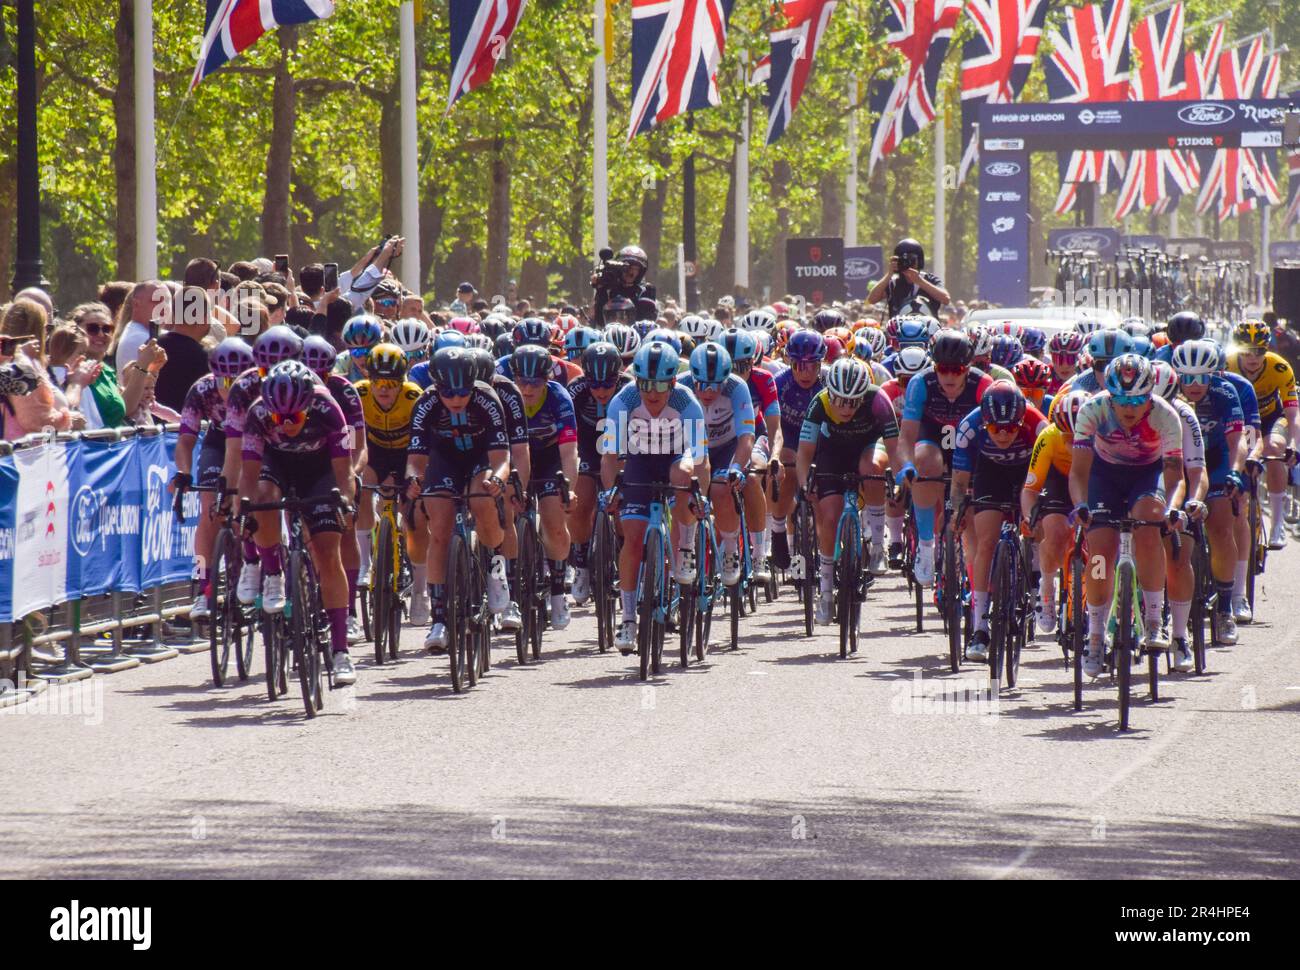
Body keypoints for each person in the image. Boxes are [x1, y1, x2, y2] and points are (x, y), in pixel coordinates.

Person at [239, 360, 358, 685]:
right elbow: (247, 475)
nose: (286, 423)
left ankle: (340, 651)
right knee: (260, 499)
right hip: (277, 465)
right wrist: (243, 512)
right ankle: (273, 573)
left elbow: (344, 471)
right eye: (279, 417)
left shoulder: (329, 408)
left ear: (308, 404)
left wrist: (344, 503)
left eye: (293, 417)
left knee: (327, 553)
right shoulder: (258, 413)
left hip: (320, 470)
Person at [1069, 355, 1185, 678]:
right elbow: (1078, 473)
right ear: (1110, 395)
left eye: (1138, 399)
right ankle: (1094, 633)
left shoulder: (1165, 415)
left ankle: (1152, 621)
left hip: (1147, 475)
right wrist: (1080, 505)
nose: (1130, 408)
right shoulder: (1093, 410)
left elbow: (1175, 476)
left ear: (1150, 395)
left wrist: (1173, 507)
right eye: (1122, 400)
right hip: (1103, 477)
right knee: (1100, 550)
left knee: (1149, 526)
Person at [601, 341, 708, 653]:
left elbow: (701, 456)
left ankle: (685, 545)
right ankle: (629, 618)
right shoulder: (624, 400)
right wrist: (610, 493)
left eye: (660, 383)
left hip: (676, 459)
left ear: (673, 381)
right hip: (640, 462)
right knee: (632, 538)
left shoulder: (686, 401)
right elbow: (609, 456)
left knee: (682, 474)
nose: (652, 391)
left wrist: (699, 495)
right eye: (645, 383)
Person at [406, 348, 514, 651]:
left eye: (463, 393)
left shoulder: (487, 399)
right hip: (444, 460)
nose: (456, 399)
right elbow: (415, 458)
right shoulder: (425, 402)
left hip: (481, 458)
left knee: (483, 502)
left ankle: (495, 568)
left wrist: (498, 479)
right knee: (439, 529)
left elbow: (501, 458)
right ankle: (439, 619)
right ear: (437, 387)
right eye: (448, 393)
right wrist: (413, 478)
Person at [796, 357, 902, 626]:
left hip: (869, 447)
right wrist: (803, 482)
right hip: (833, 453)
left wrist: (901, 479)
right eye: (839, 400)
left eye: (853, 401)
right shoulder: (819, 403)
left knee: (872, 465)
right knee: (829, 517)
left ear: (862, 396)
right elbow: (805, 453)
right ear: (830, 392)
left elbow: (894, 449)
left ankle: (878, 546)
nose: (845, 407)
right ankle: (827, 589)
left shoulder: (878, 400)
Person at [0, 297, 86, 438]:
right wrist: (68, 419)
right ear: (35, 331)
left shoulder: (24, 362)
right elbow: (35, 421)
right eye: (47, 328)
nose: (47, 335)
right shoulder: (20, 364)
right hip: (23, 452)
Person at [68, 302, 129, 429]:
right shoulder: (72, 370)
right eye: (93, 328)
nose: (101, 334)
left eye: (107, 329)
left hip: (115, 445)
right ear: (77, 332)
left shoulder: (107, 372)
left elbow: (125, 411)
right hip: (89, 445)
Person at [155, 287, 217, 412]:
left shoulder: (153, 346)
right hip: (193, 428)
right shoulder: (207, 358)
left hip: (154, 427)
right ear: (205, 318)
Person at [865, 239, 951, 318]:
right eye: (902, 260)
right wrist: (889, 274)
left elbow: (946, 299)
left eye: (911, 260)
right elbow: (872, 300)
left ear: (919, 261)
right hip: (898, 332)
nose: (907, 263)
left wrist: (920, 282)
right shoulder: (893, 283)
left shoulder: (930, 279)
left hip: (927, 331)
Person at [592, 245, 657, 326]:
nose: (630, 271)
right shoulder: (608, 288)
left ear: (641, 272)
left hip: (635, 336)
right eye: (626, 267)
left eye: (635, 268)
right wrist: (601, 289)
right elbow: (600, 321)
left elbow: (646, 322)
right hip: (610, 335)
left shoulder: (645, 290)